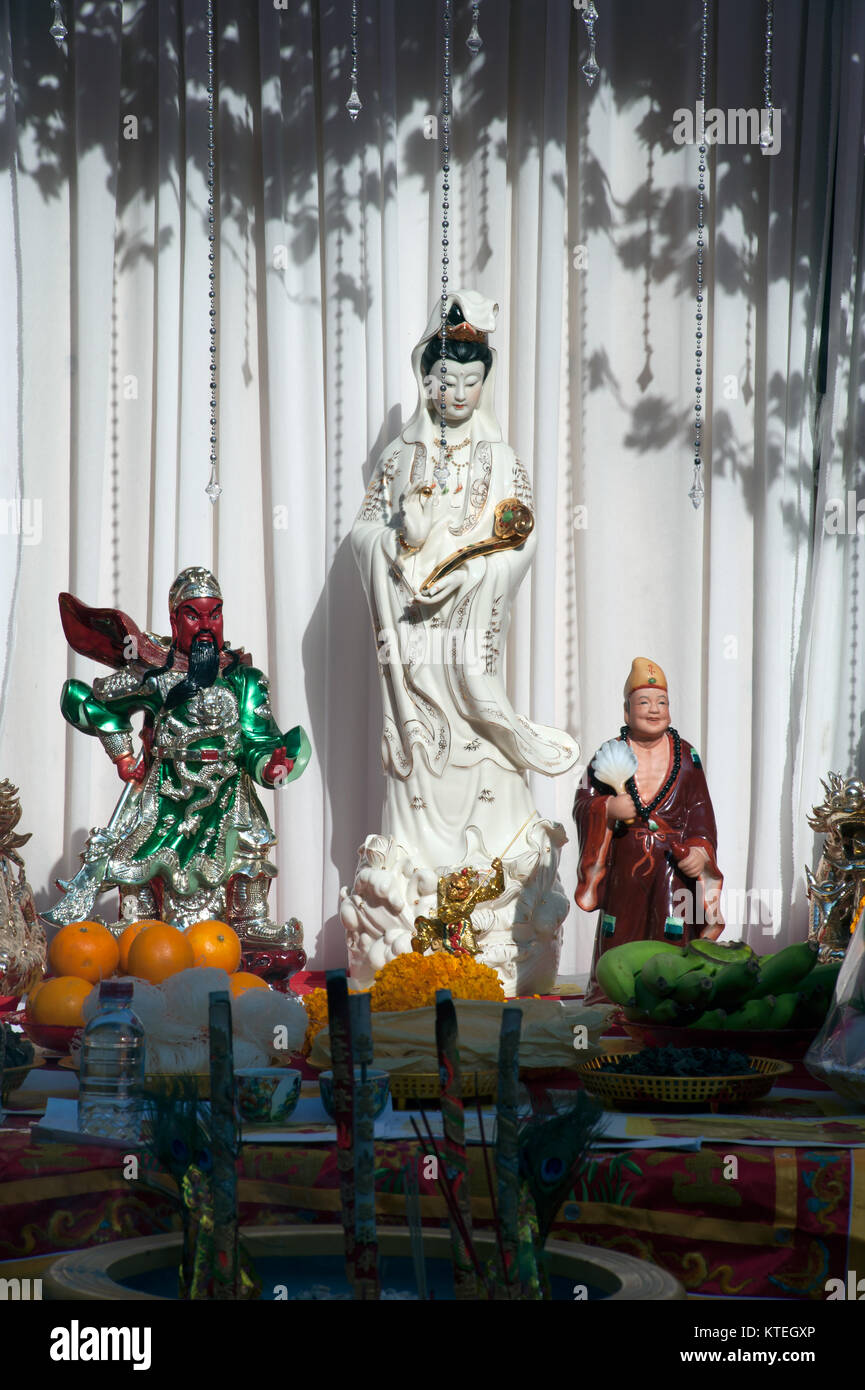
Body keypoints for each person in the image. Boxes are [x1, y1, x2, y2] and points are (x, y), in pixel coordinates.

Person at [342, 290, 579, 994]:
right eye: (444, 380)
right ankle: (407, 909)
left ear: (485, 382)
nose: (455, 393)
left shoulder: (501, 458)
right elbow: (361, 535)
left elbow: (520, 539)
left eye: (469, 382)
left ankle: (500, 910)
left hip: (467, 629)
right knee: (417, 765)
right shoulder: (397, 457)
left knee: (485, 759)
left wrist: (469, 573)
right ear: (426, 377)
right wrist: (399, 544)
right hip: (412, 637)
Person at [49, 567, 310, 939]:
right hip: (169, 794)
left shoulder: (243, 679)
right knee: (136, 851)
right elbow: (87, 698)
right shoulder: (155, 673)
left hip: (228, 793)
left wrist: (272, 766)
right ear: (174, 619)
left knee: (249, 842)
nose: (206, 625)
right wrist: (122, 755)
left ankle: (249, 923)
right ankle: (138, 927)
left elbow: (259, 739)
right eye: (194, 615)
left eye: (214, 614)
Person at [574, 658, 724, 1004]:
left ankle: (674, 996)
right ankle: (612, 995)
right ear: (627, 712)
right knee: (622, 927)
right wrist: (608, 809)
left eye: (662, 703)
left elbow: (701, 811)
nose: (654, 710)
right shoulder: (608, 753)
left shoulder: (687, 756)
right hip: (625, 863)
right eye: (644, 703)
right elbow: (583, 800)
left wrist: (700, 851)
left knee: (673, 928)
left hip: (674, 864)